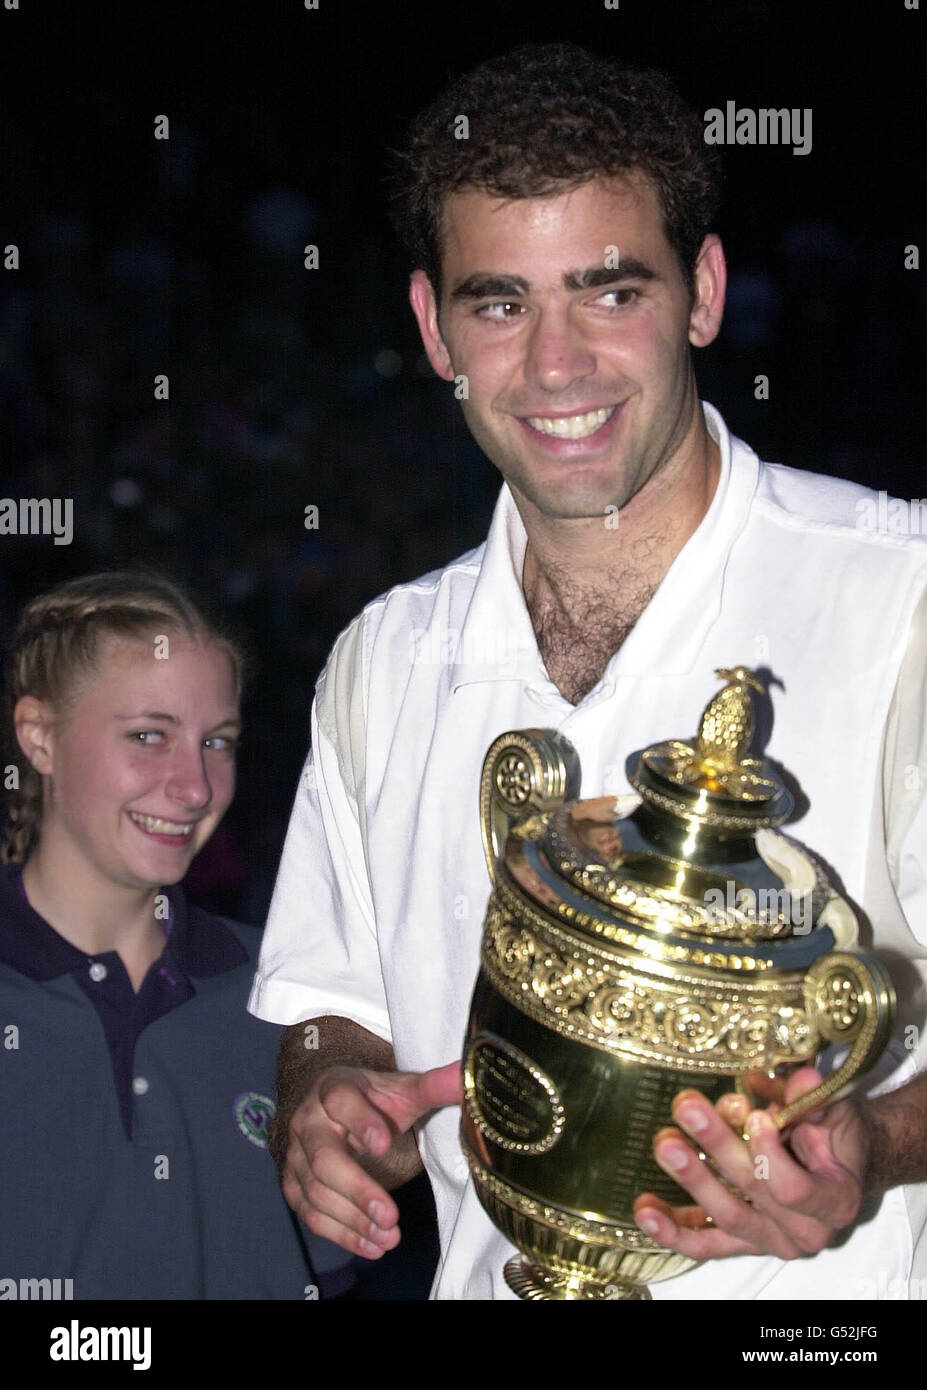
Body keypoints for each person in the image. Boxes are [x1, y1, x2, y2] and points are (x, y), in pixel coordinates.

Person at [249, 43, 927, 1299]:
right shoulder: (383, 663)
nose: (555, 366)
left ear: (705, 294)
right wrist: (326, 1092)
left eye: (611, 292)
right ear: (433, 326)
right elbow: (331, 1001)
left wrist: (873, 1146)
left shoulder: (899, 598)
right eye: (501, 304)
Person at [0, 570, 322, 1299]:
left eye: (218, 741)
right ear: (39, 738)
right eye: (149, 735)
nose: (196, 786)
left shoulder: (281, 997)